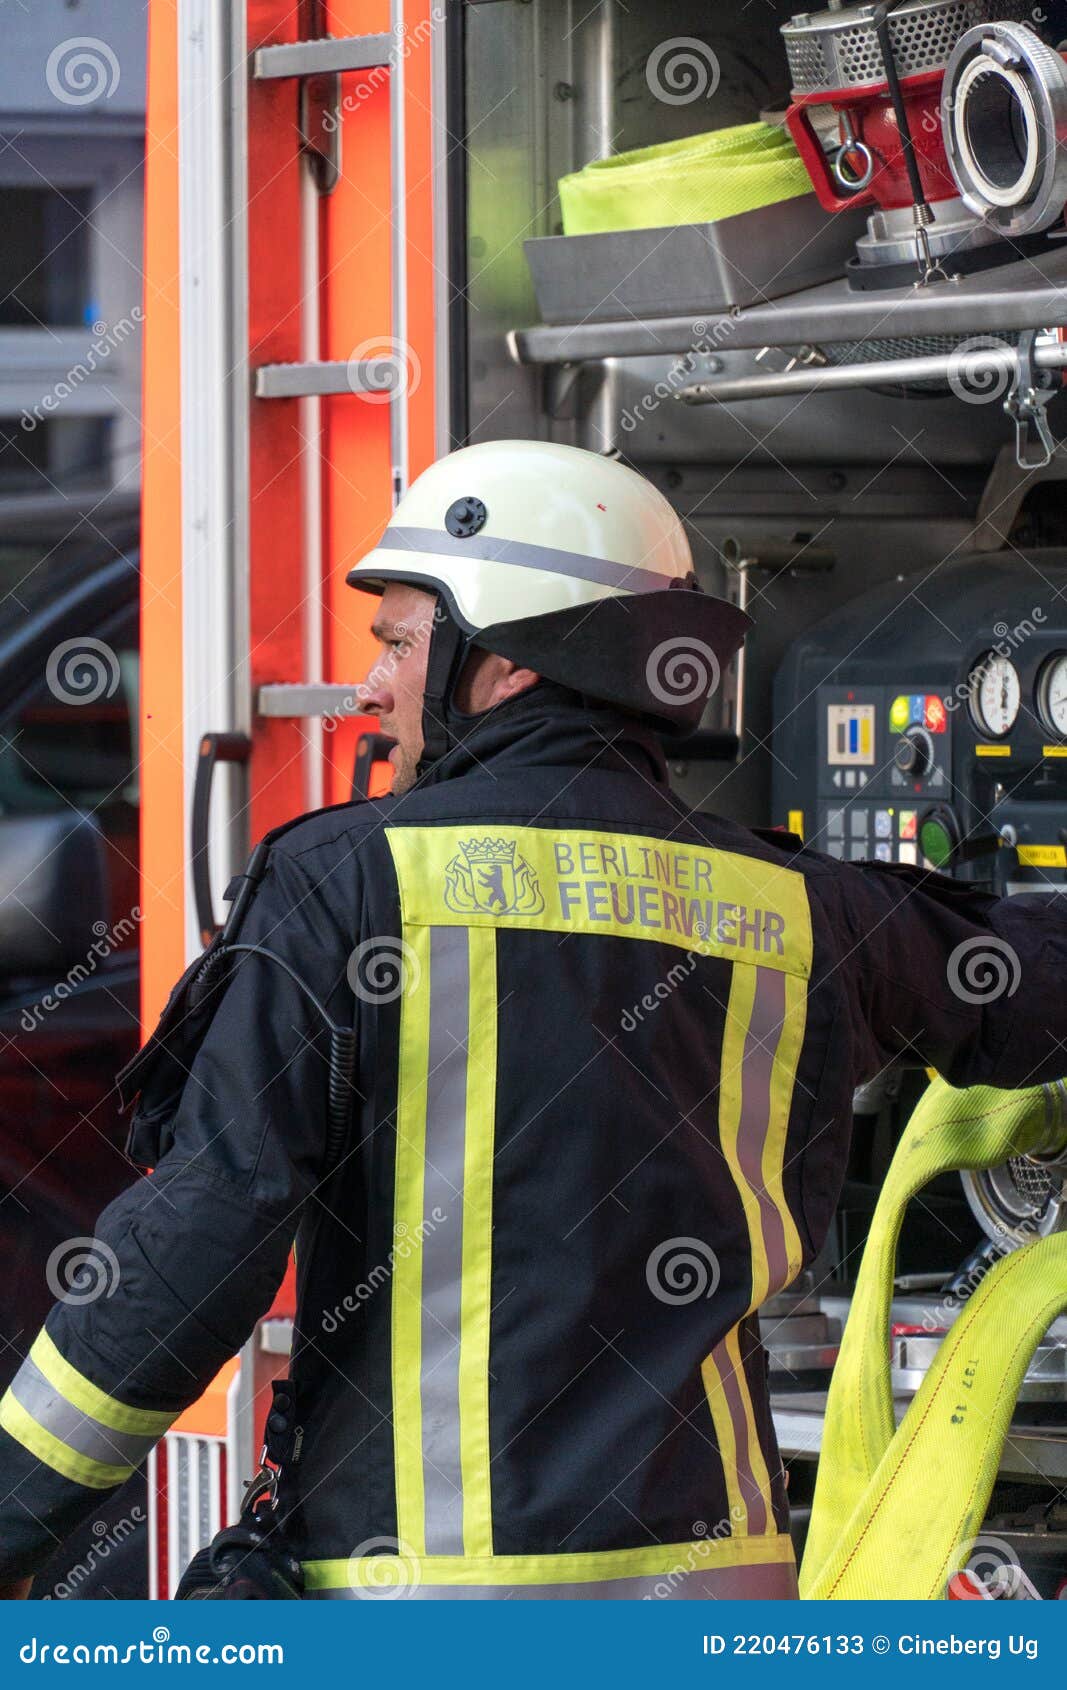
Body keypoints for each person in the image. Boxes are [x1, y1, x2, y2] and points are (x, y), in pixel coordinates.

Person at [1, 439, 1065, 1600]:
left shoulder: (346, 883)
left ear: (503, 663)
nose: (369, 689)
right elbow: (1026, 989)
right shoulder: (804, 904)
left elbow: (191, 1256)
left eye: (399, 645)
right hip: (722, 1599)